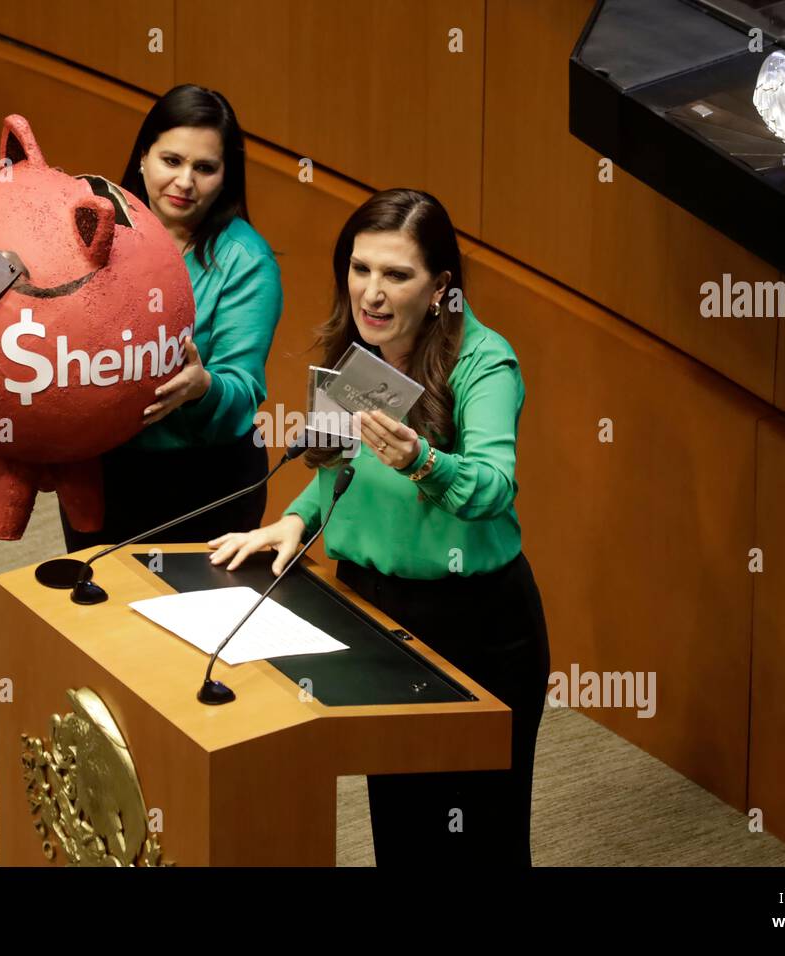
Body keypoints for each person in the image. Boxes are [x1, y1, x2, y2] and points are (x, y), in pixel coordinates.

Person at [208, 188, 550, 866]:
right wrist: (297, 520)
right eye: (361, 269)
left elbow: (493, 485)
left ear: (440, 286)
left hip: (472, 627)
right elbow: (340, 470)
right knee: (401, 828)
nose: (372, 291)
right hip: (374, 611)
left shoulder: (486, 362)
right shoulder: (357, 351)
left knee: (476, 842)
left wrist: (424, 461)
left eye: (396, 275)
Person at [59, 84, 282, 552]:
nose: (185, 181)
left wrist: (202, 388)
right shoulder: (96, 231)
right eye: (172, 161)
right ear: (143, 158)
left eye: (205, 168)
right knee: (96, 615)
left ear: (226, 176)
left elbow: (244, 392)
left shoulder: (247, 259)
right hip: (101, 467)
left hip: (203, 479)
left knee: (189, 622)